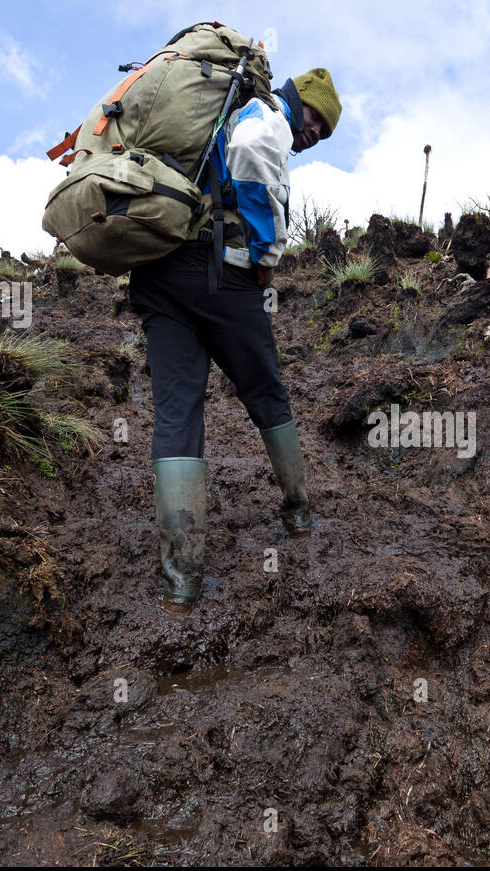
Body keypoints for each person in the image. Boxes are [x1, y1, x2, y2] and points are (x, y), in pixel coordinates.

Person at [128, 67, 342, 612]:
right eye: (314, 117)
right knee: (265, 388)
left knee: (177, 412)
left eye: (323, 131)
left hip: (159, 271)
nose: (312, 132)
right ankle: (297, 508)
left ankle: (183, 575)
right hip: (217, 270)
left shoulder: (227, 115)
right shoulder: (264, 115)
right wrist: (267, 255)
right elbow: (249, 152)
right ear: (296, 100)